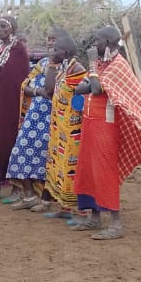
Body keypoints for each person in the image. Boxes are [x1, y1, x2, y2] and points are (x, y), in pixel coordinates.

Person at [69, 26, 141, 240]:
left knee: (105, 172)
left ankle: (115, 225)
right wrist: (91, 78)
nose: (94, 44)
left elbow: (95, 88)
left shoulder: (117, 66)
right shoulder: (103, 64)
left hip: (105, 127)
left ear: (109, 42)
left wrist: (91, 67)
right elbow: (83, 87)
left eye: (98, 40)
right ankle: (94, 218)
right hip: (90, 123)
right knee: (87, 169)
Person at [6, 28, 66, 209]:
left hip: (56, 118)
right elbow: (27, 86)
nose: (50, 43)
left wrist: (42, 91)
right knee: (21, 150)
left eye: (53, 39)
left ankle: (46, 200)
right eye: (48, 39)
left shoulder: (69, 66)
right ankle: (29, 196)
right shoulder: (43, 63)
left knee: (49, 158)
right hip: (34, 115)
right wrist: (39, 91)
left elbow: (56, 91)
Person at [0, 16, 30, 203]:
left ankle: (16, 189)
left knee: (9, 139)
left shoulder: (18, 50)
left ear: (12, 29)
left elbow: (21, 78)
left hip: (10, 103)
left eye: (3, 26)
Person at [43, 37, 88, 221]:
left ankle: (80, 210)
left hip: (72, 127)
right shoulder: (62, 68)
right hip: (59, 125)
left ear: (67, 53)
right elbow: (49, 90)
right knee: (59, 165)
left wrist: (75, 115)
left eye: (56, 49)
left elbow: (82, 97)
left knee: (72, 166)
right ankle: (64, 207)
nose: (52, 51)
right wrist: (51, 66)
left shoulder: (78, 70)